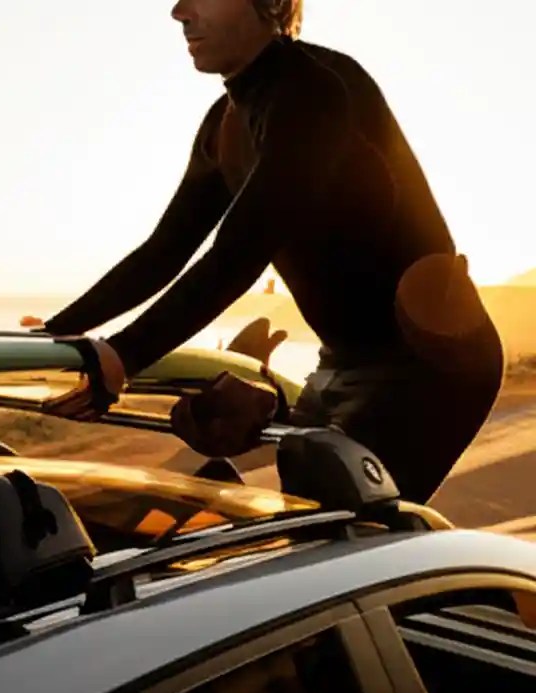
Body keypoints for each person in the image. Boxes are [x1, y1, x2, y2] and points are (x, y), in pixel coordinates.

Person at [27, 0, 504, 505]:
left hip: (429, 367)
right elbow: (165, 251)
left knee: (338, 533)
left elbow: (240, 251)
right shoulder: (225, 123)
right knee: (306, 515)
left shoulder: (318, 90)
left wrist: (122, 356)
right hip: (339, 362)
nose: (179, 12)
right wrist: (60, 331)